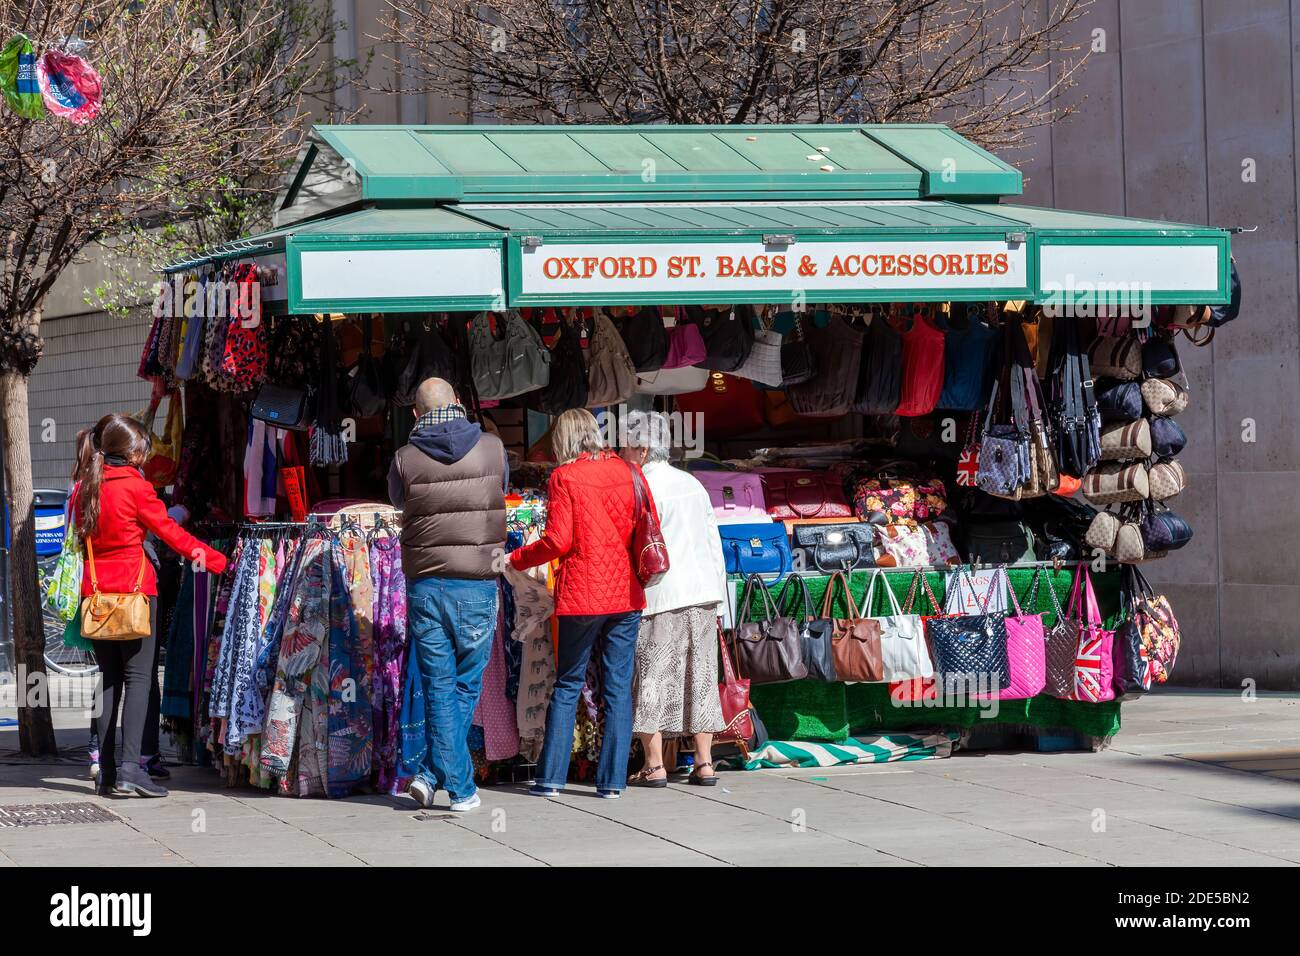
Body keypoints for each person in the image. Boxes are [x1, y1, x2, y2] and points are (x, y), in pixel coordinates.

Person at [73, 413, 228, 798]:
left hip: (95, 594)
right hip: (136, 591)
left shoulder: (84, 487)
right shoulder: (136, 488)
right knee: (139, 679)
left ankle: (107, 771)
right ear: (133, 451)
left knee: (107, 681)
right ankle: (131, 769)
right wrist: (220, 561)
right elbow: (171, 534)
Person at [510, 408, 655, 799]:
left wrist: (518, 558)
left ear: (563, 439)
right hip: (625, 594)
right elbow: (647, 525)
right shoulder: (629, 472)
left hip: (582, 594)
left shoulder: (565, 476)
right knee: (619, 687)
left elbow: (558, 541)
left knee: (568, 684)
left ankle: (552, 778)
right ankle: (612, 783)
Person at [388, 377, 507, 813]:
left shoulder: (404, 458)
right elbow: (499, 489)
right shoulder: (493, 448)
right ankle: (458, 787)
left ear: (416, 415)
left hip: (426, 586)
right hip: (477, 584)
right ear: (458, 404)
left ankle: (430, 774)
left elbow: (399, 503)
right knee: (464, 685)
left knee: (439, 687)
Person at [620, 412, 728, 787]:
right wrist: (722, 601)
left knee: (651, 679)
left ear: (643, 448)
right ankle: (705, 762)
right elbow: (714, 545)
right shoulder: (692, 484)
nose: (620, 452)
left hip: (658, 596)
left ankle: (654, 765)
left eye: (625, 445)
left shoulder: (638, 486)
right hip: (702, 595)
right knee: (700, 679)